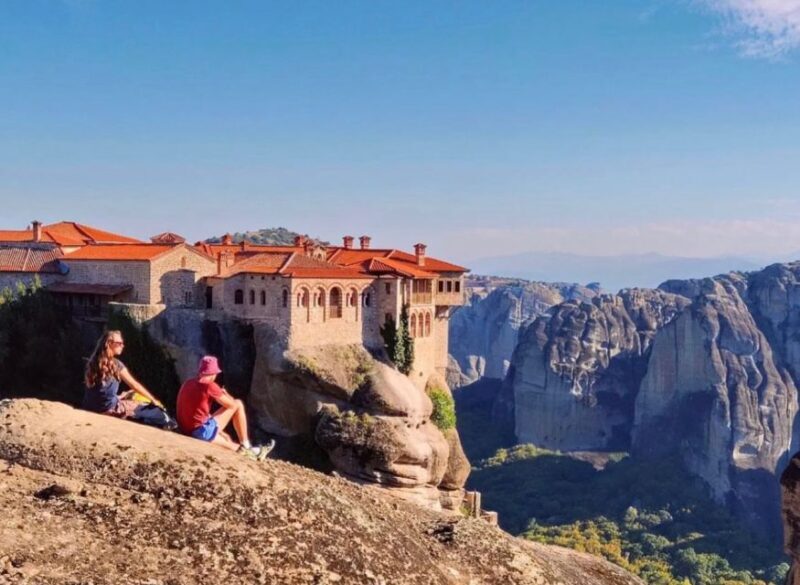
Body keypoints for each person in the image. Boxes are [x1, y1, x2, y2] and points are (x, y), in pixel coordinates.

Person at [176, 356, 273, 460]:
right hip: (201, 432)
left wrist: (221, 432)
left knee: (230, 444)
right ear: (214, 373)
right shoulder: (210, 386)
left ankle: (251, 451)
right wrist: (226, 394)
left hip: (186, 430)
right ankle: (246, 444)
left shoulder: (188, 383)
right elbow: (232, 406)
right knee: (238, 403)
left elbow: (197, 413)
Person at [83, 330, 163, 419]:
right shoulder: (116, 364)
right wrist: (153, 400)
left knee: (128, 393)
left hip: (90, 407)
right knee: (144, 406)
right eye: (119, 343)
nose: (123, 346)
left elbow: (101, 392)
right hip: (108, 409)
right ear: (109, 344)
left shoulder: (92, 362)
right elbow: (134, 385)